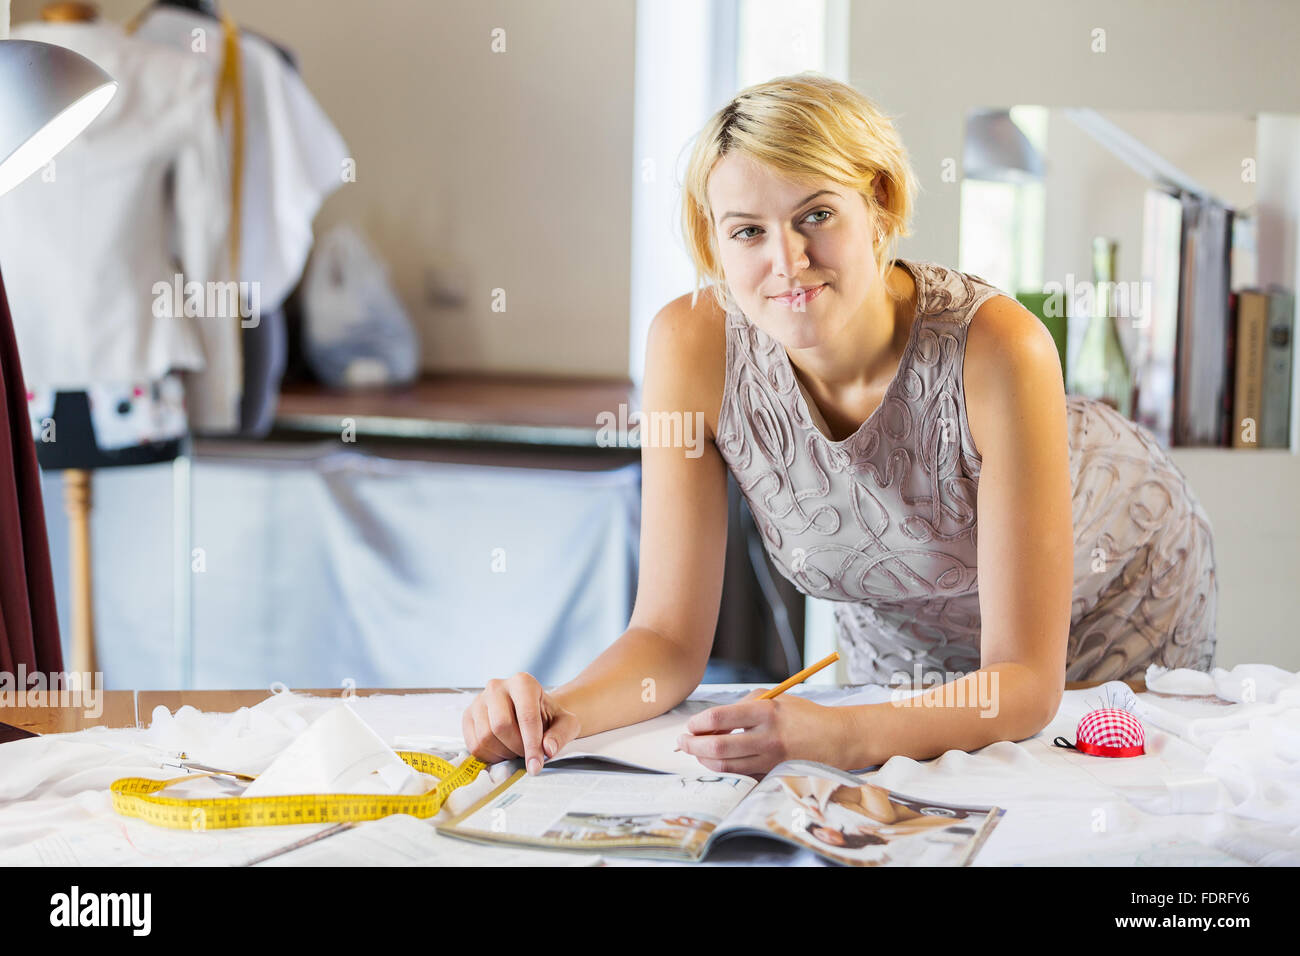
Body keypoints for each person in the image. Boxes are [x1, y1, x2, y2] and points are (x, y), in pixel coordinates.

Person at [462, 72, 1218, 778]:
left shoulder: (1001, 348)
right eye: (747, 232)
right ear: (712, 239)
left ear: (880, 204)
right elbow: (665, 638)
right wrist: (563, 710)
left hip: (1113, 586)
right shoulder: (687, 348)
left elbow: (1022, 684)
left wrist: (838, 735)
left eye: (815, 215)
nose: (786, 262)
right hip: (908, 625)